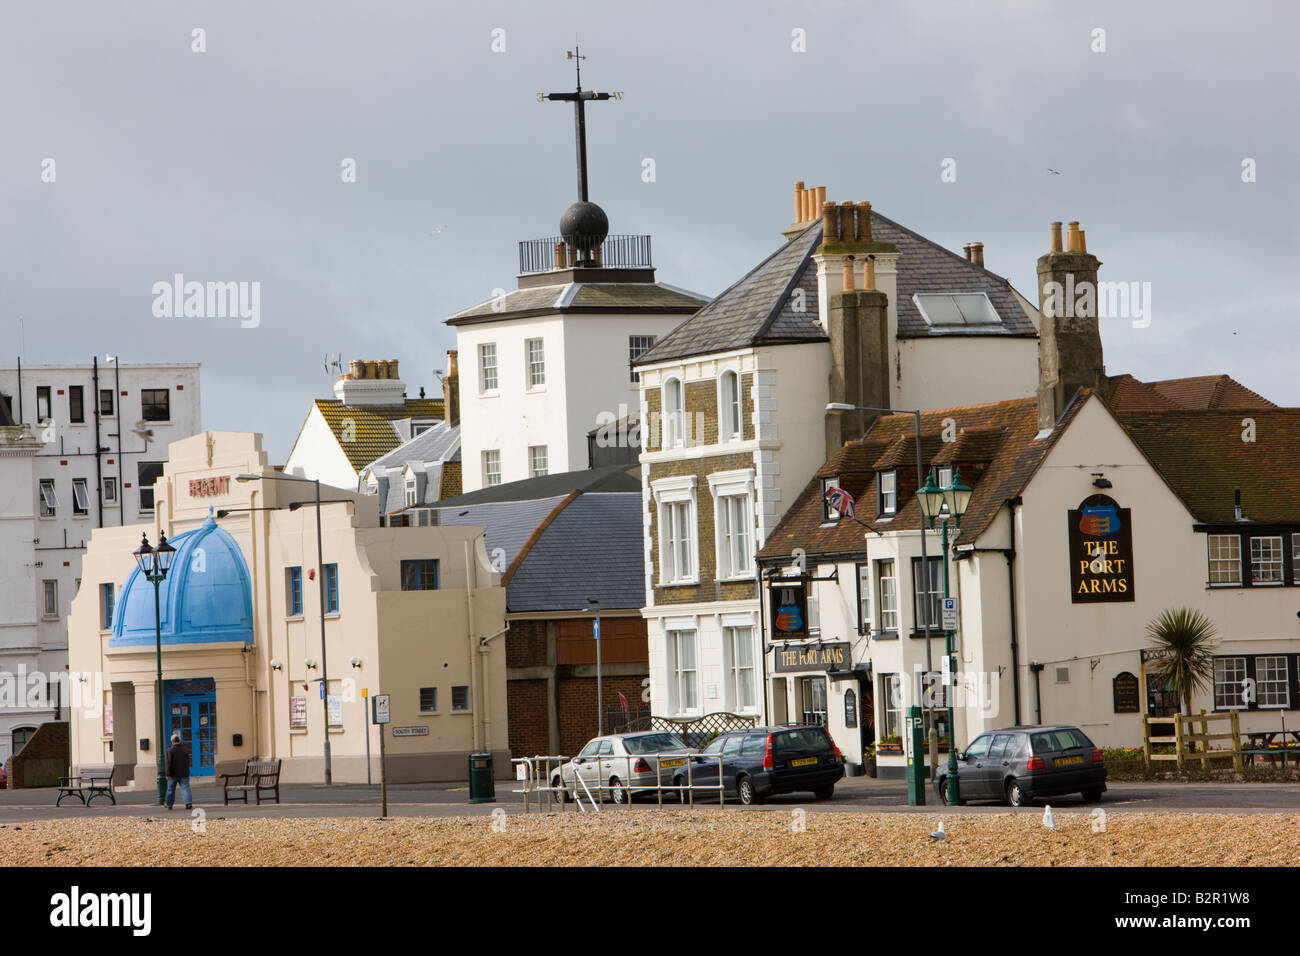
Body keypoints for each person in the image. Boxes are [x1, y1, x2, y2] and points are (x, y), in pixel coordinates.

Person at [165, 732, 192, 810]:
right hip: (184, 773)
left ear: (172, 741)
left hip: (173, 774)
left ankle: (169, 804)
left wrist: (167, 773)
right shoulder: (185, 749)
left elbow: (168, 763)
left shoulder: (170, 750)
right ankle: (188, 803)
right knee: (185, 788)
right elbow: (188, 761)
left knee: (170, 789)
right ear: (179, 740)